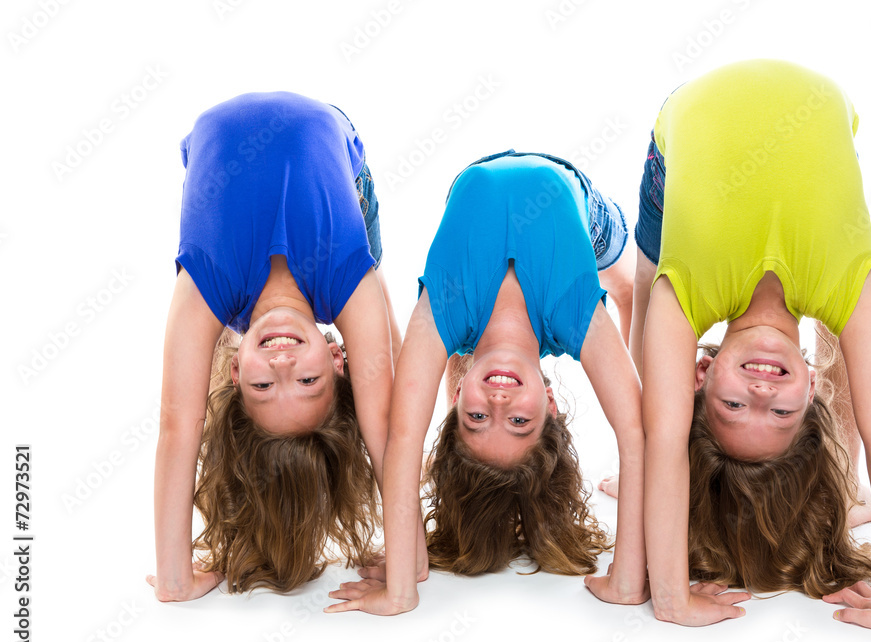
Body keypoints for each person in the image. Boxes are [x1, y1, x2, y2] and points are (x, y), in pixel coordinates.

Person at [622, 60, 871, 632]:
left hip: (683, 115)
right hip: (822, 112)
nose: (763, 389)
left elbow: (664, 436)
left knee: (646, 313)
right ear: (811, 385)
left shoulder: (686, 297)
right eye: (782, 409)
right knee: (855, 348)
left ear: (702, 370)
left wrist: (670, 599)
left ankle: (642, 472)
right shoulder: (845, 285)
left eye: (736, 406)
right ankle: (845, 482)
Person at [326, 150, 646, 614]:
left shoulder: (446, 308)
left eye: (476, 418)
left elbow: (402, 437)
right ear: (550, 404)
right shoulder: (573, 310)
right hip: (587, 215)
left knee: (454, 354)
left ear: (454, 401)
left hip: (476, 174)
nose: (498, 400)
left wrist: (404, 579)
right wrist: (627, 582)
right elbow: (636, 434)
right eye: (518, 421)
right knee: (629, 288)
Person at [146, 92, 401, 600]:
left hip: (210, 141)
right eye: (307, 381)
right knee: (381, 340)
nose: (283, 362)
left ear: (236, 370)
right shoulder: (347, 279)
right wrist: (406, 560)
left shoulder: (208, 285)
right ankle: (374, 353)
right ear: (335, 358)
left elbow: (179, 425)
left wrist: (175, 579)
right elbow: (385, 431)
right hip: (340, 149)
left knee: (374, 333)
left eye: (264, 385)